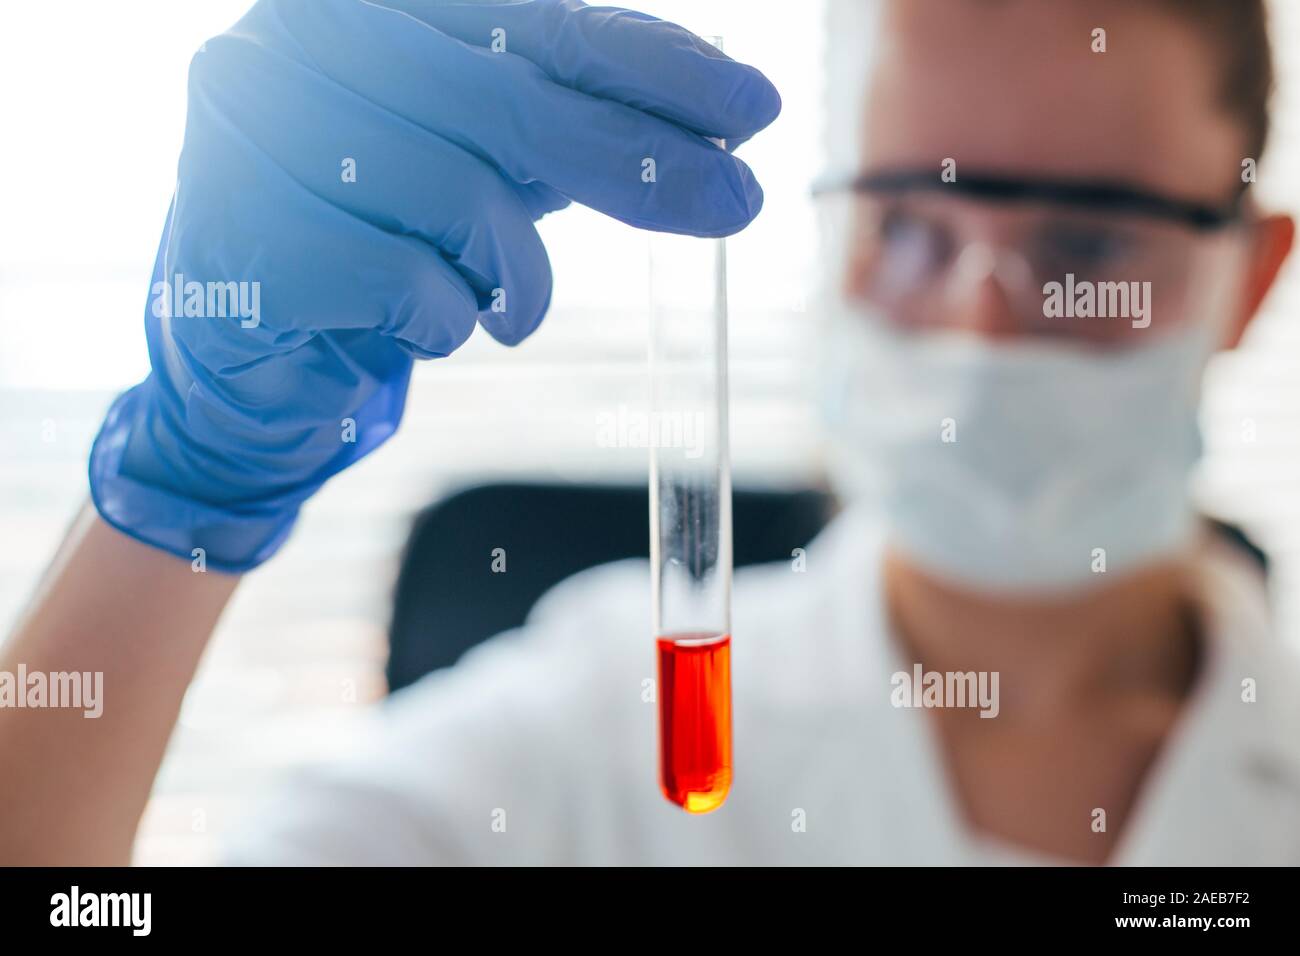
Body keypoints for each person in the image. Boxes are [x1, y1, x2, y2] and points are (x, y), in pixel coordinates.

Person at [3, 0, 1299, 865]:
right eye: (911, 221)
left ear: (1249, 278)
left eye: (1084, 244)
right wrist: (184, 497)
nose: (981, 319)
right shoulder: (581, 735)